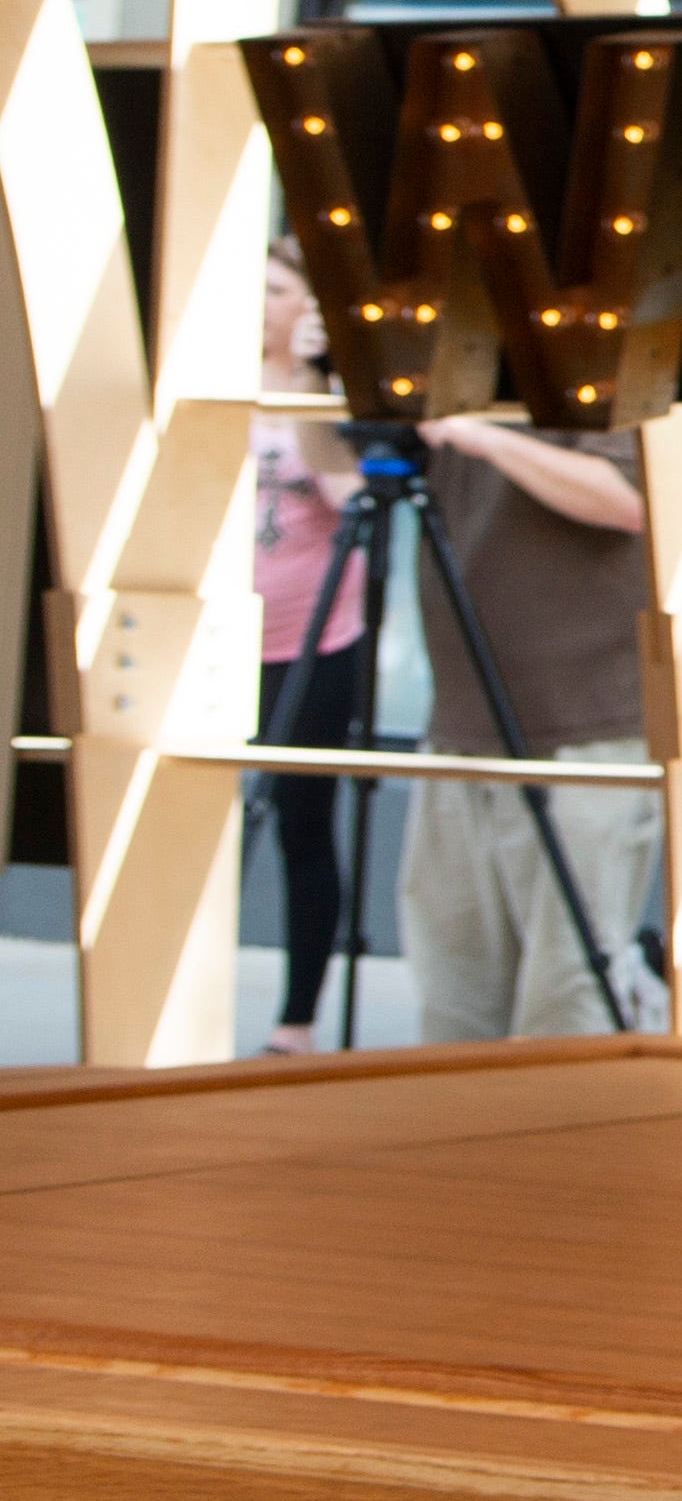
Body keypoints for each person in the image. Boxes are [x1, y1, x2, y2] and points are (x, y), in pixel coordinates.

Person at [403, 413, 664, 1042]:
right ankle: (460, 1140)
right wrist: (301, 375)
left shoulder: (613, 347)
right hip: (461, 727)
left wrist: (480, 433)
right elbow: (333, 467)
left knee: (568, 993)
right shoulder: (455, 351)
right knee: (453, 998)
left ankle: (565, 1140)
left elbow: (627, 498)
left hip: (587, 730)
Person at [249, 247, 370, 1056]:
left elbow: (351, 499)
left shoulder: (321, 399)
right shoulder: (207, 383)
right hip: (219, 636)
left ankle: (297, 1019)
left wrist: (308, 386)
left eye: (276, 290)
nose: (259, 304)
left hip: (313, 639)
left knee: (303, 821)